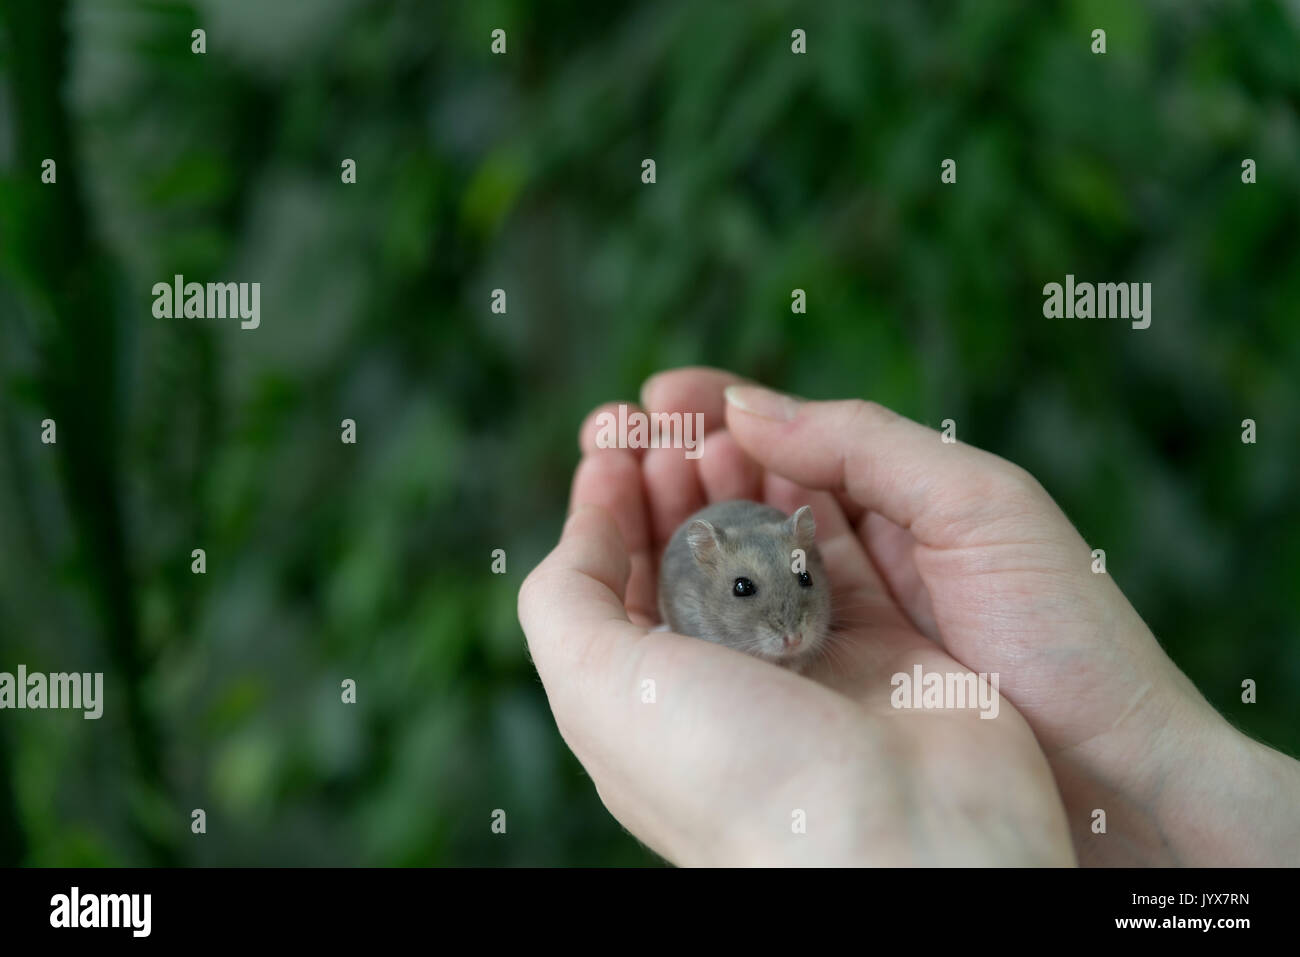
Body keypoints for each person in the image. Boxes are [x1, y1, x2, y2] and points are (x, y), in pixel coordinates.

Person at [517, 367, 1300, 866]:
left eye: (802, 586)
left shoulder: (806, 566)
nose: (791, 627)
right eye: (751, 596)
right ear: (712, 571)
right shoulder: (696, 579)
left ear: (812, 560)